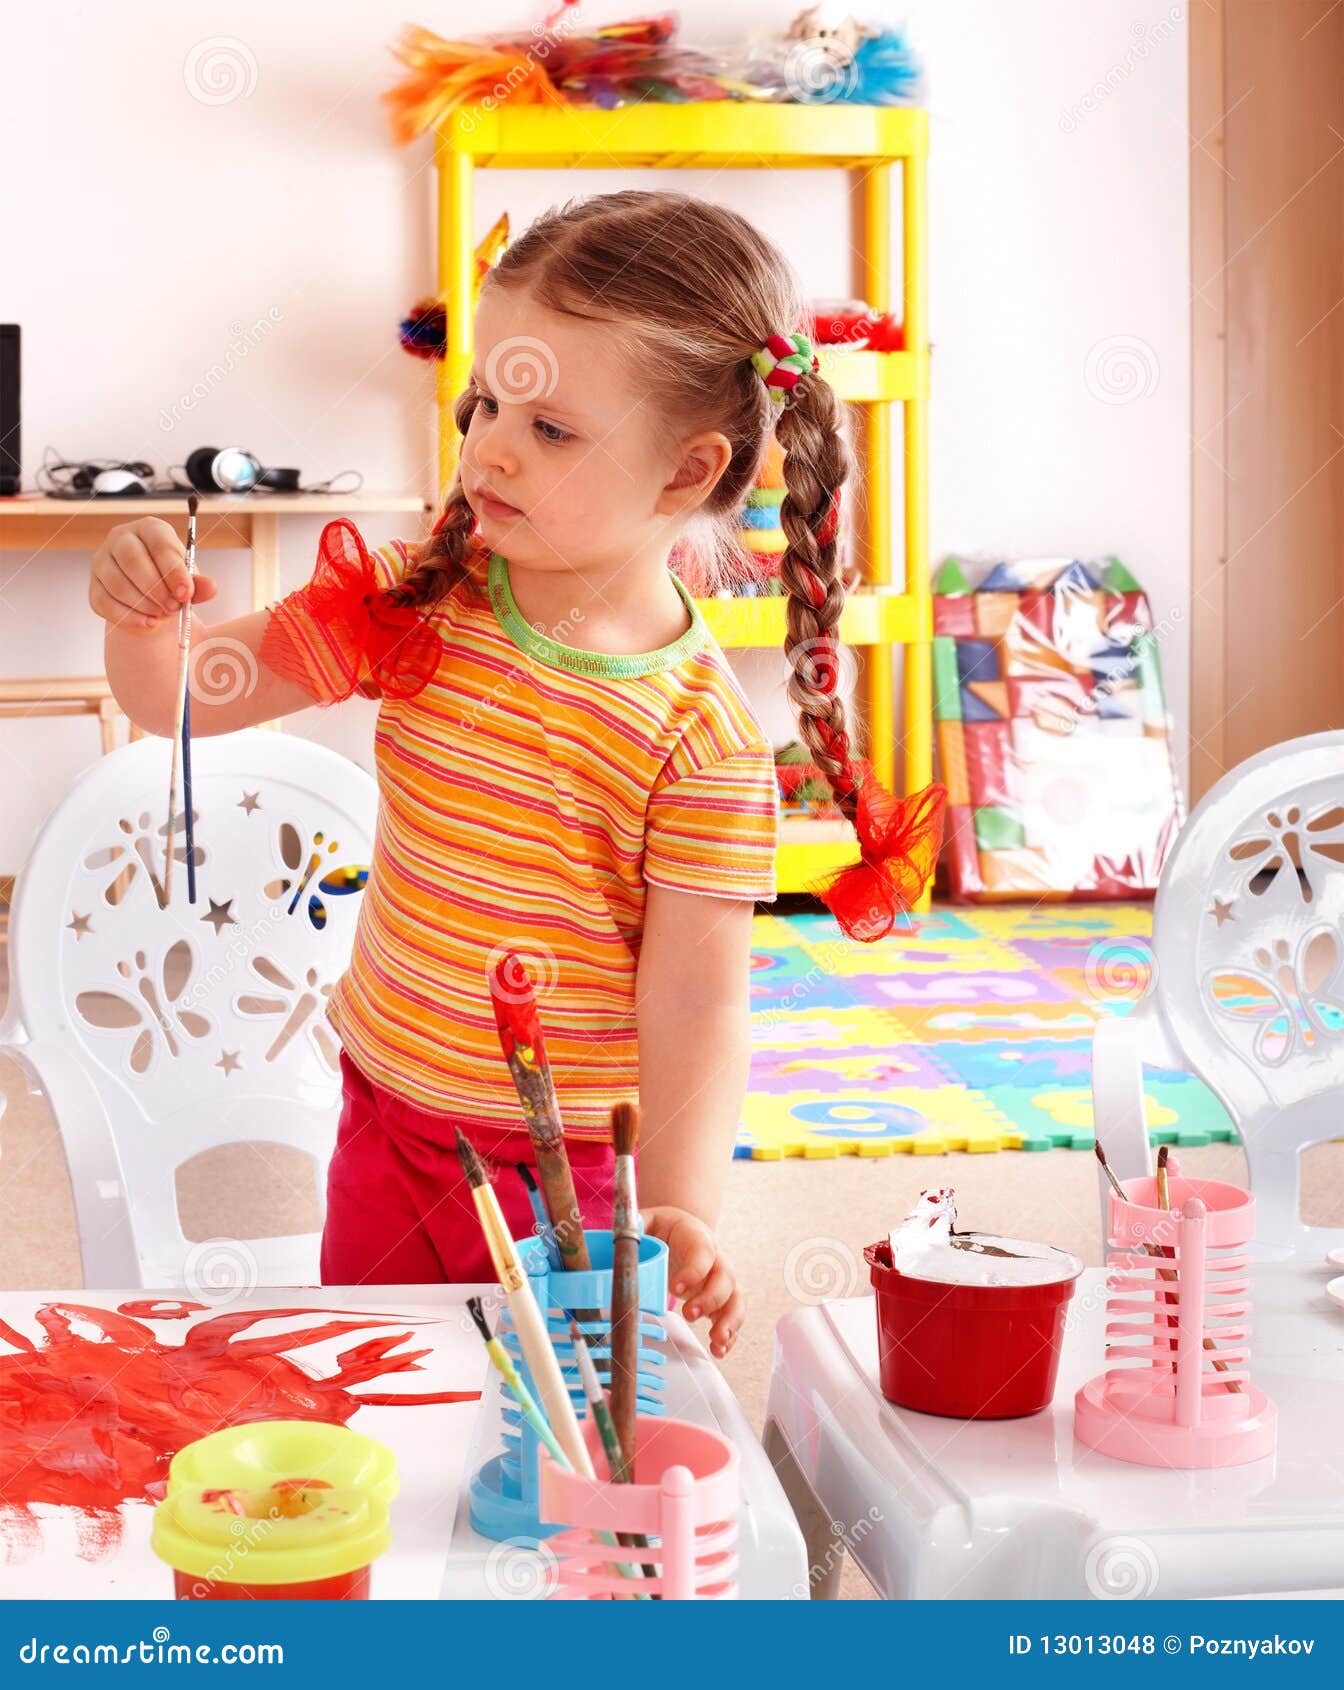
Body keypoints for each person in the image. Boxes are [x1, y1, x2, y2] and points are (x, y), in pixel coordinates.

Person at [90, 190, 943, 1359]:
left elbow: (699, 1005)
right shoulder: (413, 598)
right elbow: (176, 698)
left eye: (550, 428)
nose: (489, 444)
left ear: (686, 472)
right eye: (490, 397)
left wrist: (684, 1206)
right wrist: (142, 621)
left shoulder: (699, 739)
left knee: (558, 1443)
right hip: (386, 1129)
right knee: (385, 1393)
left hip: (572, 1180)